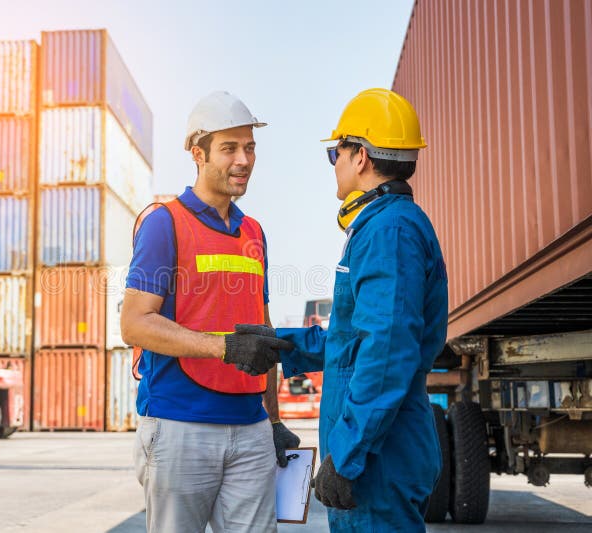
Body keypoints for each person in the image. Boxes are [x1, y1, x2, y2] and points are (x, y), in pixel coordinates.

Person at [261, 88, 448, 531]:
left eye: (336, 153)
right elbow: (355, 342)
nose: (336, 165)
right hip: (376, 451)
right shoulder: (384, 225)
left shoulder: (390, 231)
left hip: (378, 460)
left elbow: (385, 355)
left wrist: (345, 457)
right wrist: (280, 344)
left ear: (360, 155)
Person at [120, 90, 300, 533]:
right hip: (181, 425)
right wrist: (221, 347)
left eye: (250, 147)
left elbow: (264, 330)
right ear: (198, 154)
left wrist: (274, 419)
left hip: (252, 426)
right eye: (229, 148)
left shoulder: (253, 231)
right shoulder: (165, 223)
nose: (244, 160)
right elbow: (135, 323)